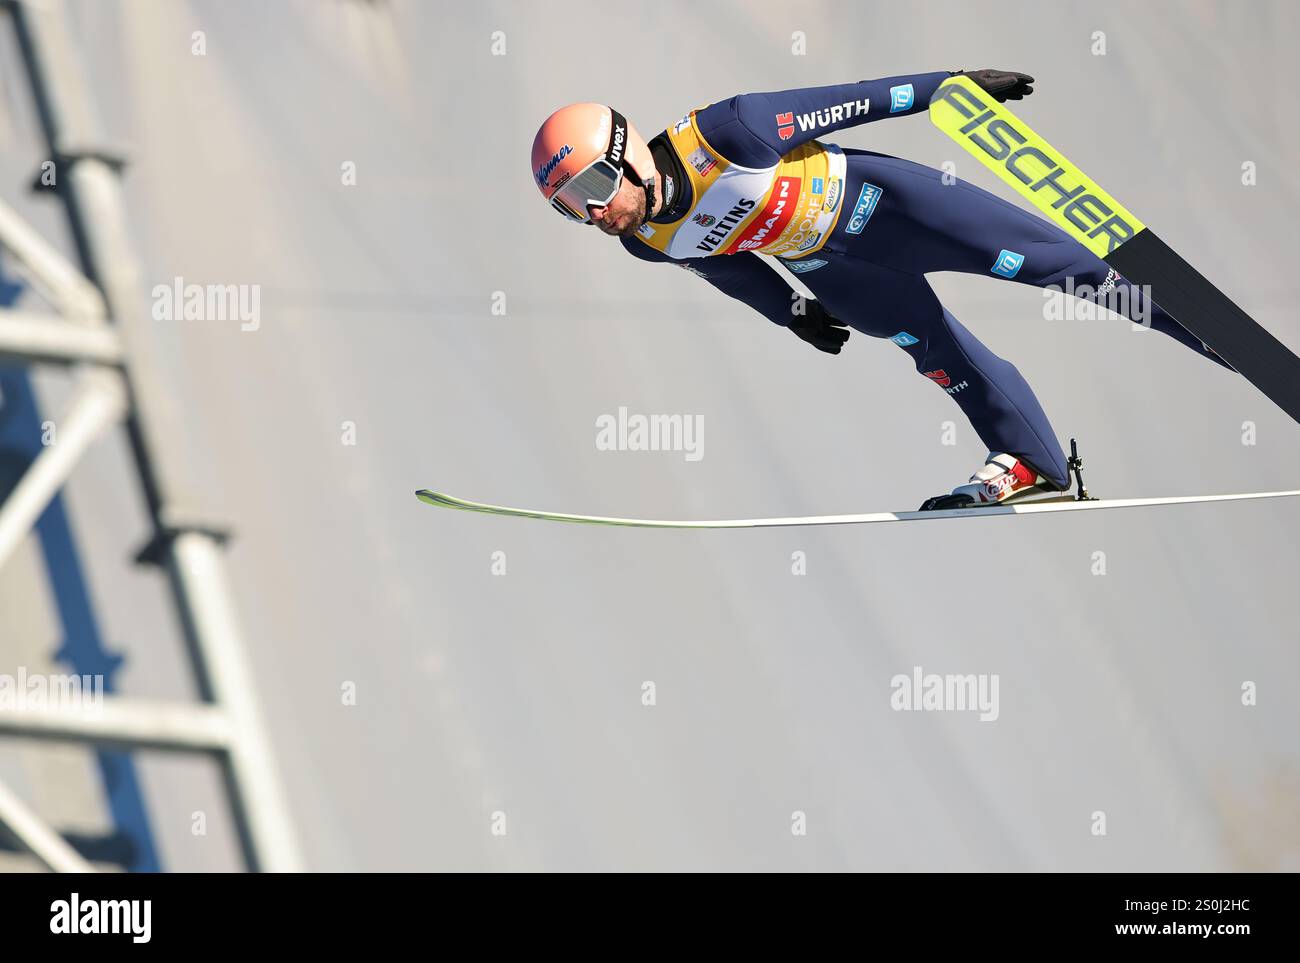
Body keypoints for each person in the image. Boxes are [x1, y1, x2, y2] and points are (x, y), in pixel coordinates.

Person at [530, 71, 1234, 509]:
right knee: (941, 357)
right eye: (569, 206)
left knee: (1067, 270)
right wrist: (791, 312)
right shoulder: (643, 239)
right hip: (835, 273)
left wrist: (950, 87)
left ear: (627, 154)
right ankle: (1032, 461)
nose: (592, 214)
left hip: (889, 209)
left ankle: (1225, 343)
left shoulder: (728, 130)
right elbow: (724, 266)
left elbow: (854, 103)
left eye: (591, 187)